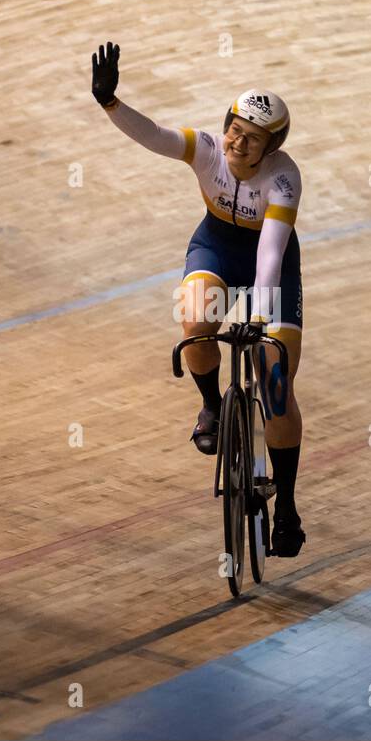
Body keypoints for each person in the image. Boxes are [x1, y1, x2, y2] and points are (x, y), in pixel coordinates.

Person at [91, 42, 307, 557]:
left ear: (271, 148)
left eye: (252, 139)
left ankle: (289, 510)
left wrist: (257, 318)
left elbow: (271, 256)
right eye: (235, 127)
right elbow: (157, 137)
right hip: (215, 247)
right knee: (195, 319)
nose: (238, 142)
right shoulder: (208, 149)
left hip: (270, 270)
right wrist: (110, 103)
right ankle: (211, 407)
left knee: (275, 385)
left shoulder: (283, 178)